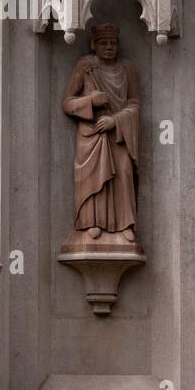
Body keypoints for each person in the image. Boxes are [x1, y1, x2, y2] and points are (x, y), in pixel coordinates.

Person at [62, 23, 140, 241]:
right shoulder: (86, 67)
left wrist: (115, 120)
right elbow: (67, 103)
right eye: (103, 43)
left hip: (118, 134)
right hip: (92, 135)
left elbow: (135, 104)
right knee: (94, 175)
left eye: (113, 43)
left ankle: (125, 222)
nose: (108, 47)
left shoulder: (127, 69)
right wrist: (90, 101)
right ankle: (92, 221)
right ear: (93, 45)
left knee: (123, 172)